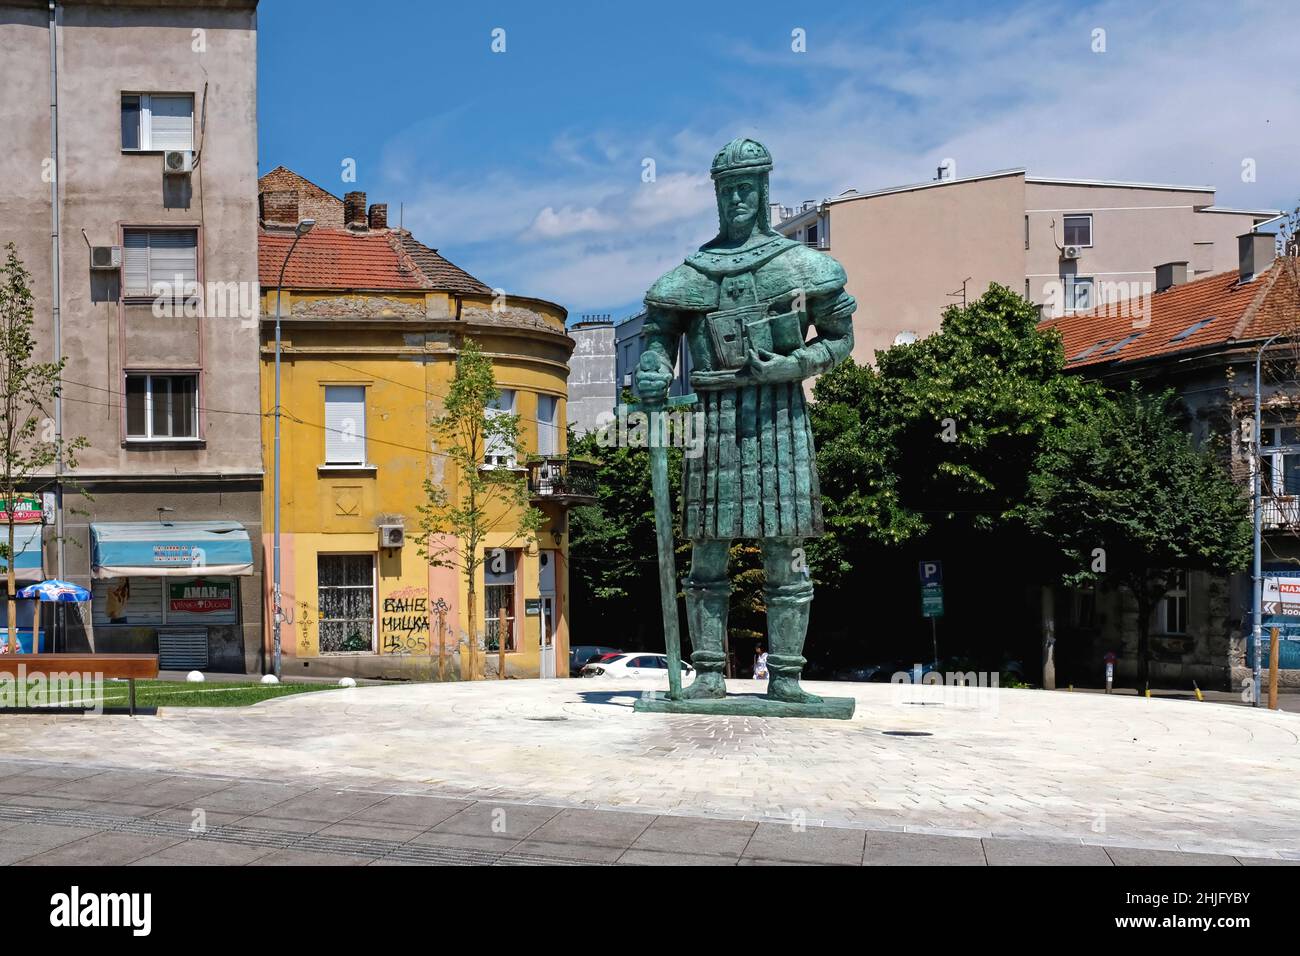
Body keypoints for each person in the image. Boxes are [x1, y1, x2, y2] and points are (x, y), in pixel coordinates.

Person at [637, 138, 855, 704]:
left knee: (785, 549)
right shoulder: (691, 274)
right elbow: (658, 342)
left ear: (763, 191)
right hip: (711, 418)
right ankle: (708, 673)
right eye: (726, 189)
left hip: (779, 414)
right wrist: (653, 373)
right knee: (708, 549)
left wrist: (793, 363)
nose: (736, 199)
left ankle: (785, 677)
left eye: (745, 189)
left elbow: (839, 339)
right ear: (716, 195)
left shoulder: (800, 267)